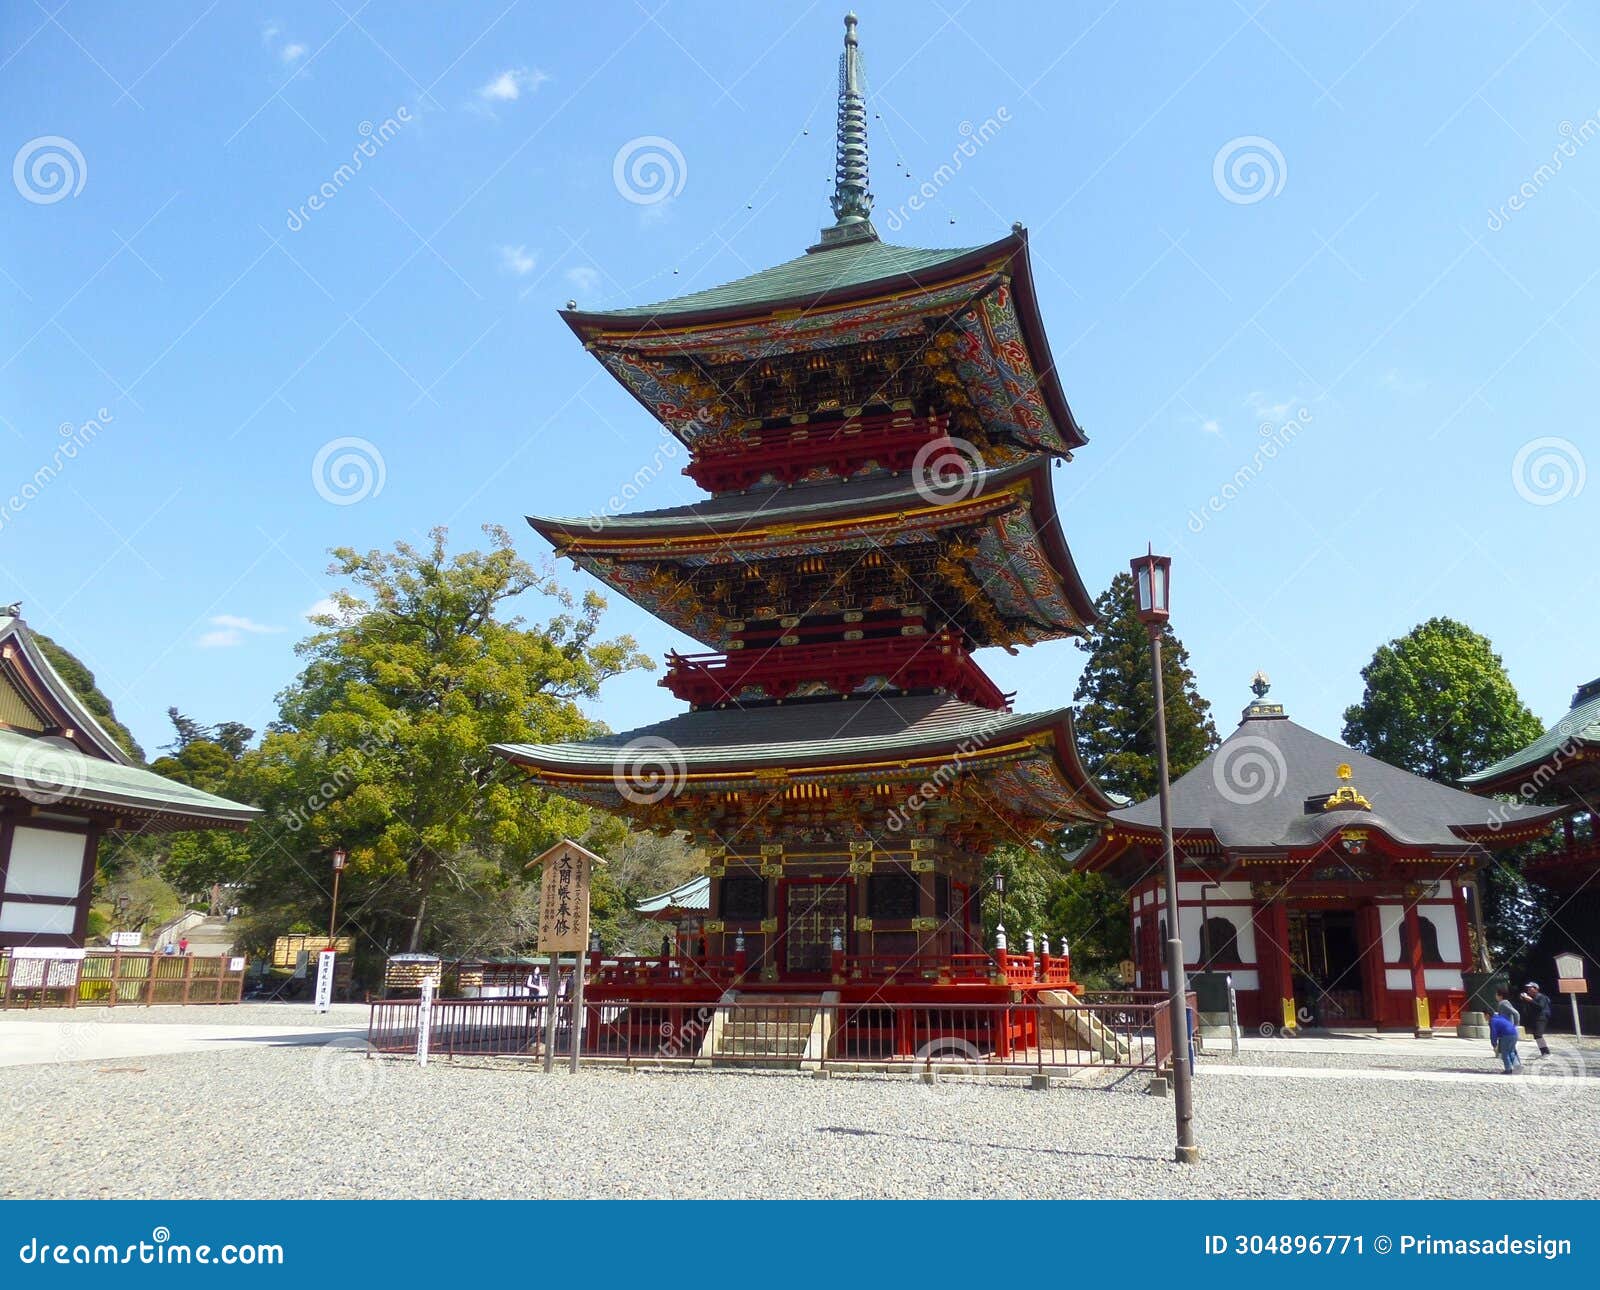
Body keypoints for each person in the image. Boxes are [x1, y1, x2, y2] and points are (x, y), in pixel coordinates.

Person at [1519, 981, 1553, 1058]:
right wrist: (1524, 1000)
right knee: (1536, 1035)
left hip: (1542, 1018)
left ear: (1536, 989)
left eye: (1530, 989)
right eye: (1527, 989)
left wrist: (1530, 1000)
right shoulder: (1532, 998)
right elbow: (1527, 1009)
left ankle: (1546, 1053)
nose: (1528, 991)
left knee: (1538, 1034)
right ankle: (1544, 1052)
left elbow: (1540, 1007)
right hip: (1535, 1018)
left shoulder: (1541, 997)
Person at [1489, 1007, 1521, 1073]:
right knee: (1511, 1051)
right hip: (1514, 1033)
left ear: (1487, 1015)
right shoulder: (1500, 1017)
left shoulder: (1493, 1021)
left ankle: (1508, 1069)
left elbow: (1493, 1033)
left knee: (1505, 1053)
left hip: (1506, 1035)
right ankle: (1517, 1067)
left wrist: (1494, 1044)